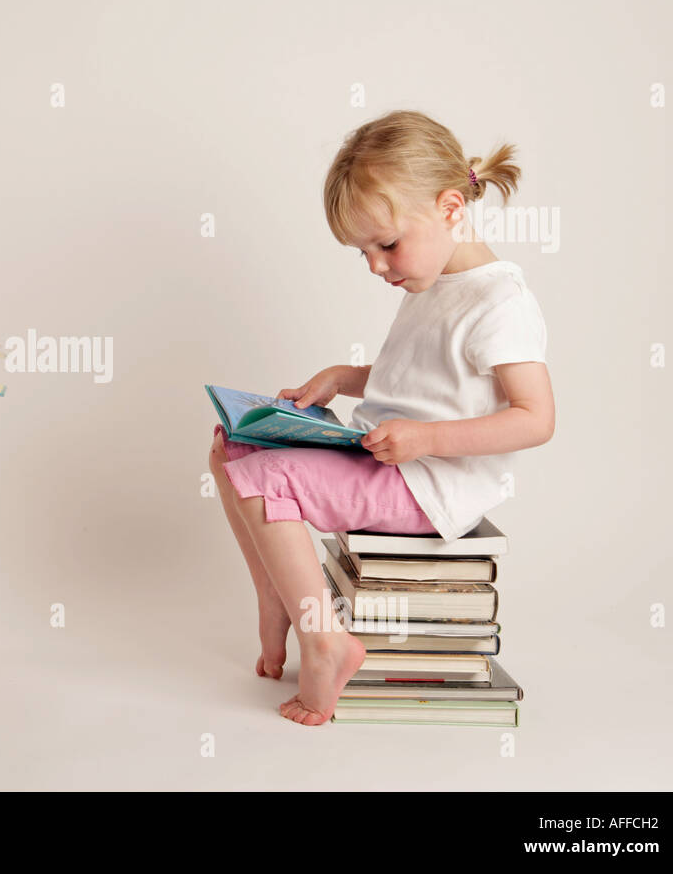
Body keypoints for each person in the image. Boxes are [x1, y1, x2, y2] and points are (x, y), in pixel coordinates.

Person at [208, 109, 554, 725]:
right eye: (363, 251)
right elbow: (424, 381)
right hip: (393, 457)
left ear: (451, 208)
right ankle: (279, 595)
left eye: (386, 244)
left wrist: (426, 438)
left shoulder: (500, 302)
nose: (375, 265)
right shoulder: (435, 281)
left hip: (431, 484)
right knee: (231, 449)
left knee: (266, 481)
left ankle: (325, 642)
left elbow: (535, 418)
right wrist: (346, 378)